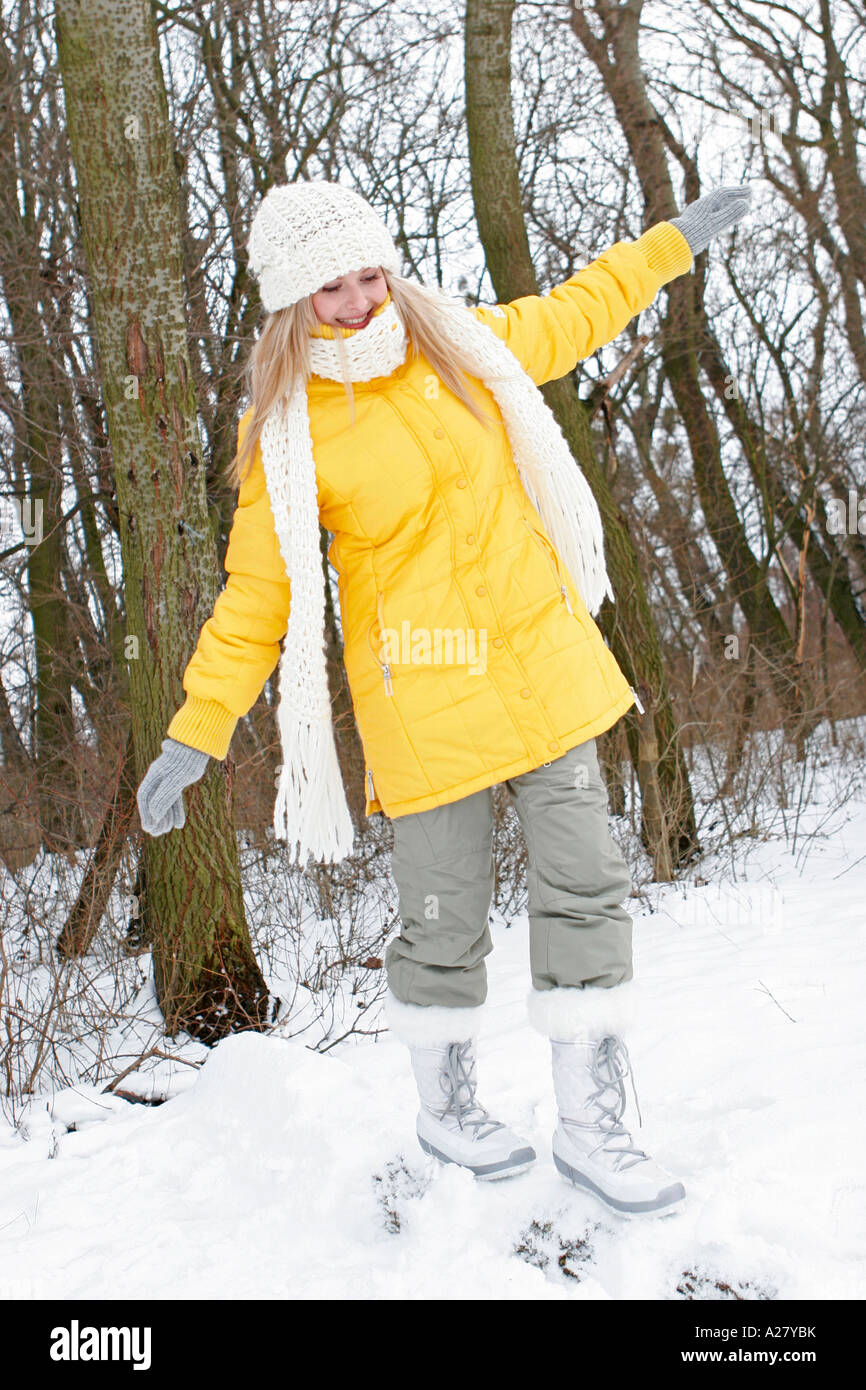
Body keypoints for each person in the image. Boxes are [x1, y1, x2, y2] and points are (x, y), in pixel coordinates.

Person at [137, 178, 752, 1218]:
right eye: (329, 287)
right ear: (292, 302)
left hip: (544, 670)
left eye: (370, 273)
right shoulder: (288, 434)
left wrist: (668, 246)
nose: (359, 299)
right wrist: (195, 733)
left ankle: (594, 1127)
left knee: (585, 888)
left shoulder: (463, 346)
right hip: (421, 700)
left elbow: (575, 310)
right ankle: (447, 1106)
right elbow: (256, 596)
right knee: (441, 920)